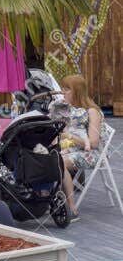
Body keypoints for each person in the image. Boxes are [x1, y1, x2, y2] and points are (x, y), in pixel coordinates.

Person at [58, 72, 103, 216]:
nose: (62, 92)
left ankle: (71, 208)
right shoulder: (70, 110)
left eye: (67, 89)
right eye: (62, 88)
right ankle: (50, 200)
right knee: (47, 158)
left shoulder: (92, 111)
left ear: (77, 91)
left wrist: (69, 136)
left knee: (59, 162)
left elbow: (94, 143)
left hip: (92, 153)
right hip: (74, 150)